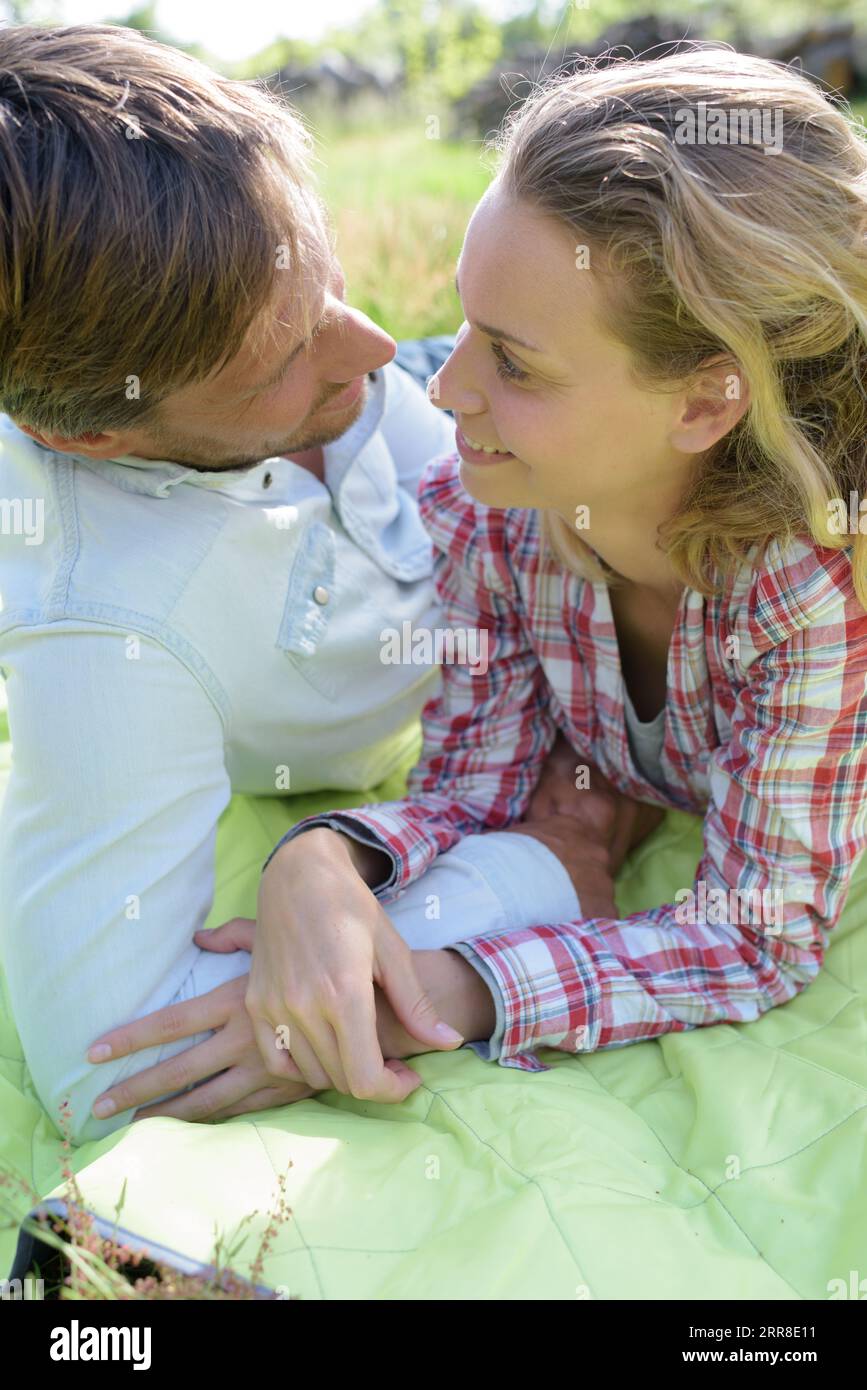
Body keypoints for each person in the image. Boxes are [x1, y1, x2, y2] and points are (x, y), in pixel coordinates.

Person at [88, 44, 867, 1118]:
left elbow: (753, 933)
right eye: (464, 328)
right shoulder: (498, 521)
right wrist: (319, 861)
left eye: (515, 361)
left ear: (702, 403)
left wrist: (425, 998)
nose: (443, 389)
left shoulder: (811, 603)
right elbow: (473, 781)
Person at [0, 25, 656, 1145]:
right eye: (281, 360)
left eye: (329, 277)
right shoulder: (105, 629)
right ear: (101, 435)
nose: (366, 344)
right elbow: (108, 1072)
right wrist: (519, 880)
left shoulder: (358, 364)